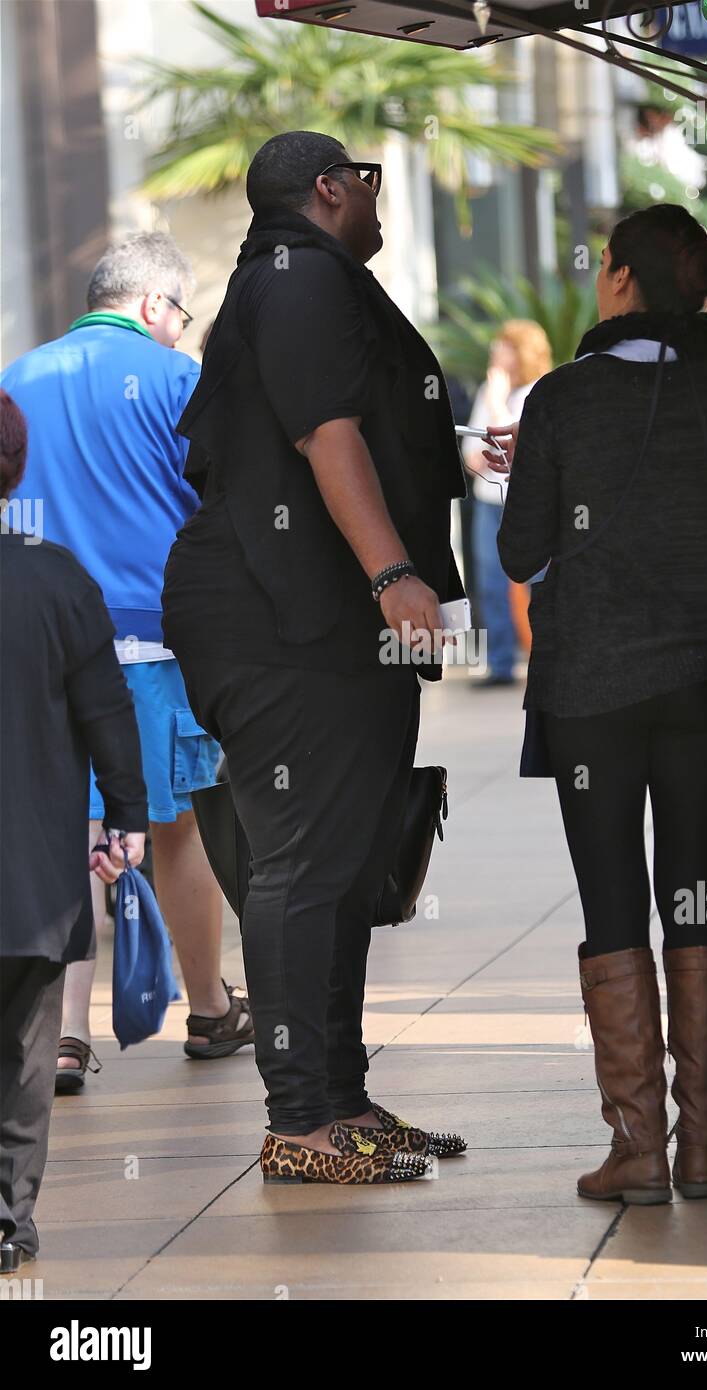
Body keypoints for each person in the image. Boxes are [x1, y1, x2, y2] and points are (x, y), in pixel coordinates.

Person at [162, 130, 472, 1184]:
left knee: (346, 863)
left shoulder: (309, 278)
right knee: (302, 862)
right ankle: (298, 1121)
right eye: (368, 181)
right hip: (278, 619)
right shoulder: (296, 274)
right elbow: (323, 433)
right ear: (328, 189)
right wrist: (395, 576)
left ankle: (339, 1097)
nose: (377, 200)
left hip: (321, 620)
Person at [497, 204, 707, 1205]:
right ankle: (705, 1147)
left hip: (591, 686)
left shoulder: (562, 398)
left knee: (612, 898)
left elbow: (518, 553)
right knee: (695, 891)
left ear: (618, 279)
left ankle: (638, 1152)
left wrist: (529, 467)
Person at [0, 234, 252, 1090]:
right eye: (180, 314)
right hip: (150, 640)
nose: (180, 333)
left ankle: (65, 1033)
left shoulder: (19, 378)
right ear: (153, 305)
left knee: (72, 826)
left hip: (35, 642)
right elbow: (230, 493)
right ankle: (211, 1007)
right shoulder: (177, 379)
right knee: (170, 826)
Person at [0, 390, 148, 1274]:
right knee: (25, 1047)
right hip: (30, 880)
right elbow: (107, 715)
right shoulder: (57, 578)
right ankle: (10, 1219)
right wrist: (125, 819)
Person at [463, 321, 553, 686]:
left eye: (503, 348)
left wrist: (498, 403)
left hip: (526, 502)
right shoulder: (490, 391)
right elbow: (472, 454)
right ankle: (500, 665)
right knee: (489, 581)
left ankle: (546, 661)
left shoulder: (538, 392)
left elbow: (514, 449)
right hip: (488, 502)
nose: (495, 355)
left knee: (538, 582)